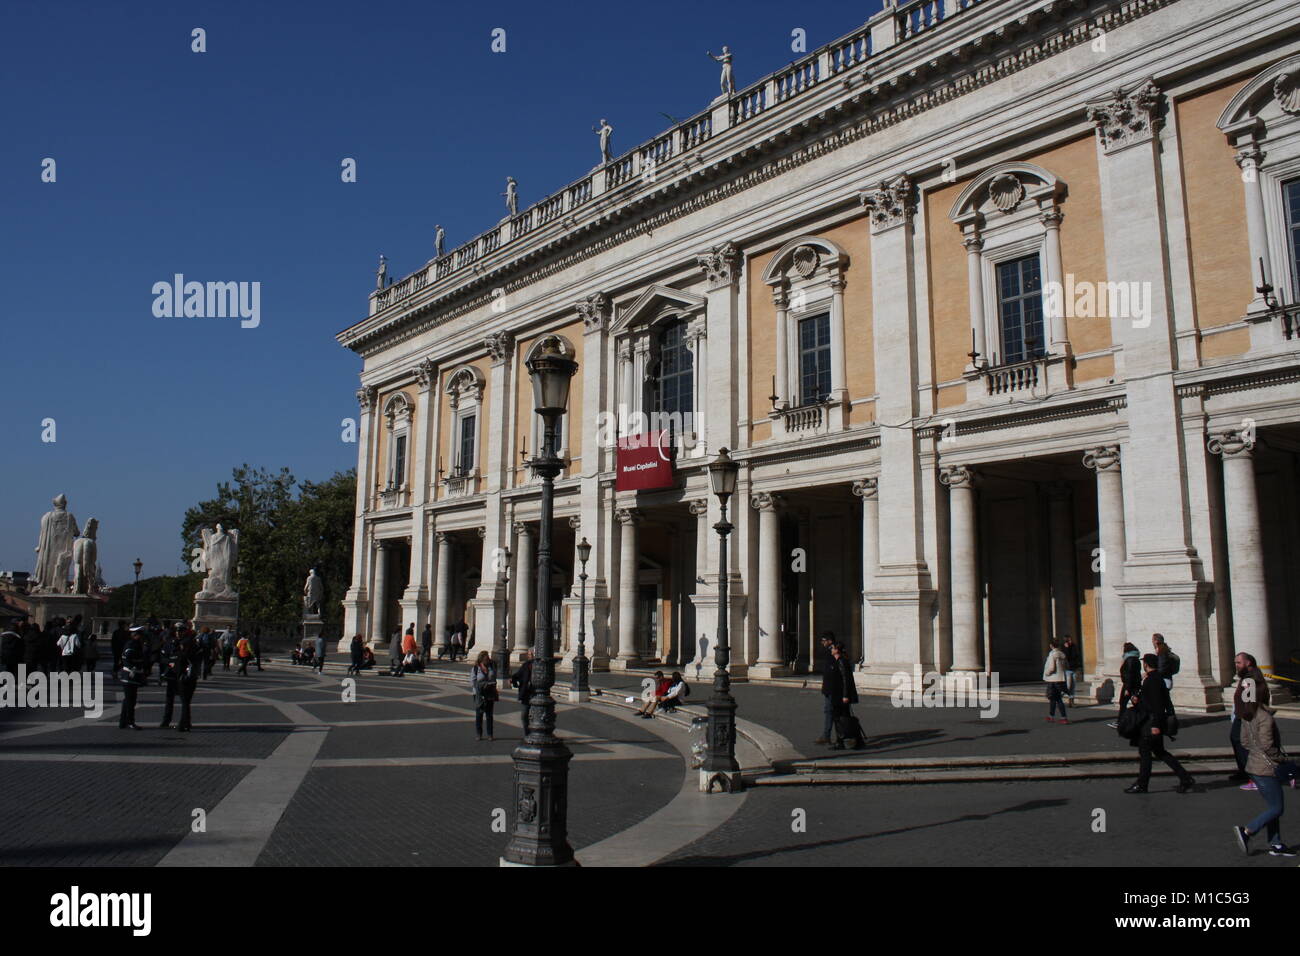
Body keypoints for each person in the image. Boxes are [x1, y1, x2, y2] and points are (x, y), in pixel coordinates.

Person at [1234, 676, 1296, 856]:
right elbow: (1268, 746)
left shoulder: (1247, 714)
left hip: (1253, 765)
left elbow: (1244, 741)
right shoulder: (1265, 717)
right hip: (1267, 768)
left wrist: (1255, 751)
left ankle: (1276, 843)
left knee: (1272, 807)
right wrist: (1283, 759)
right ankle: (1247, 831)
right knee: (1277, 808)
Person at [1125, 653, 1195, 794]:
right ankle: (1185, 778)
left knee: (1146, 754)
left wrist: (1156, 725)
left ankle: (1142, 784)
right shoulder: (1155, 679)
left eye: (1144, 663)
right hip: (1152, 721)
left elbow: (1157, 704)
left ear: (1146, 664)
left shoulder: (1153, 680)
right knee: (1160, 752)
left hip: (1150, 723)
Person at [1230, 653, 1271, 789]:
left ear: (1248, 663)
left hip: (1246, 717)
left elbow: (1250, 701)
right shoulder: (1250, 677)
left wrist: (1246, 717)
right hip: (1243, 716)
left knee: (1243, 743)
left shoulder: (1250, 679)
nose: (1236, 666)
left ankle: (1252, 775)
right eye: (1236, 663)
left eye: (1238, 663)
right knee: (1237, 740)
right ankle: (1244, 771)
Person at [829, 643, 866, 749]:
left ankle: (841, 741)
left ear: (837, 650)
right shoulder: (838, 661)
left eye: (832, 648)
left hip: (840, 696)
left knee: (840, 719)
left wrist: (845, 695)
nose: (831, 650)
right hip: (838, 694)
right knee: (844, 718)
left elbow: (846, 680)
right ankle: (854, 740)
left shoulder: (841, 662)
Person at [1107, 642, 1143, 729]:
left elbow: (1129, 674)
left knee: (1123, 703)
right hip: (1134, 684)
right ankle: (1142, 720)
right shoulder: (1135, 659)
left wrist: (1127, 688)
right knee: (1135, 702)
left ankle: (1120, 722)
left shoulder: (1129, 660)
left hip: (1129, 685)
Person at [118, 629, 146, 730]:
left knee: (128, 700)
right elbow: (127, 657)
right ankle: (130, 721)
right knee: (131, 700)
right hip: (130, 675)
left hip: (130, 675)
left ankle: (123, 721)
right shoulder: (132, 644)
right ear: (135, 635)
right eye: (140, 635)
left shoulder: (133, 643)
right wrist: (133, 667)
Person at [471, 651, 498, 741]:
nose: (488, 660)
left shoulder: (491, 667)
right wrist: (481, 688)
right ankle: (479, 734)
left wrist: (491, 685)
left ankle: (490, 734)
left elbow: (494, 678)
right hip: (479, 694)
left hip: (489, 693)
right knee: (479, 714)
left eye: (488, 658)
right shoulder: (475, 668)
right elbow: (473, 681)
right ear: (482, 659)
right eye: (486, 659)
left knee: (489, 715)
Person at [815, 633, 837, 745]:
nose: (822, 642)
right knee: (830, 711)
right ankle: (828, 735)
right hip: (829, 687)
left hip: (832, 688)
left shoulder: (834, 652)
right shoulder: (828, 652)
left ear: (830, 641)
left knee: (830, 711)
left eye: (824, 640)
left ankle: (827, 735)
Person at [158, 629, 182, 728]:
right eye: (177, 631)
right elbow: (162, 658)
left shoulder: (185, 643)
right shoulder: (169, 644)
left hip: (181, 675)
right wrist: (171, 662)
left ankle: (183, 721)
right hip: (172, 675)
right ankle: (166, 720)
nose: (179, 633)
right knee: (169, 700)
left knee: (184, 700)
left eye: (180, 631)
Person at [1043, 640, 1069, 724]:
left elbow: (1052, 668)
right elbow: (1066, 666)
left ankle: (1055, 717)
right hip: (1060, 679)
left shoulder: (1052, 654)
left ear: (1051, 645)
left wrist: (1046, 673)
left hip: (1053, 679)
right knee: (1058, 699)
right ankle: (1059, 716)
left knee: (1053, 698)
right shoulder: (1062, 654)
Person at [512, 649, 535, 733]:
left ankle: (534, 732)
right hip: (526, 694)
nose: (531, 656)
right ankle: (527, 732)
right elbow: (518, 675)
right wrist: (513, 680)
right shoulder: (525, 665)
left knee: (535, 715)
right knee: (524, 715)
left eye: (532, 654)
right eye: (529, 654)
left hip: (536, 694)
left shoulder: (540, 666)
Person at [1061, 636, 1081, 706]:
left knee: (1073, 686)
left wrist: (1078, 666)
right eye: (1069, 640)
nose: (1070, 641)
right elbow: (1066, 657)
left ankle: (1071, 701)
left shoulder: (1074, 647)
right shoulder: (1063, 648)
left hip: (1074, 668)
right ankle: (1060, 695)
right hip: (1067, 669)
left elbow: (1076, 656)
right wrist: (1067, 648)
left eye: (1071, 640)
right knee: (1068, 686)